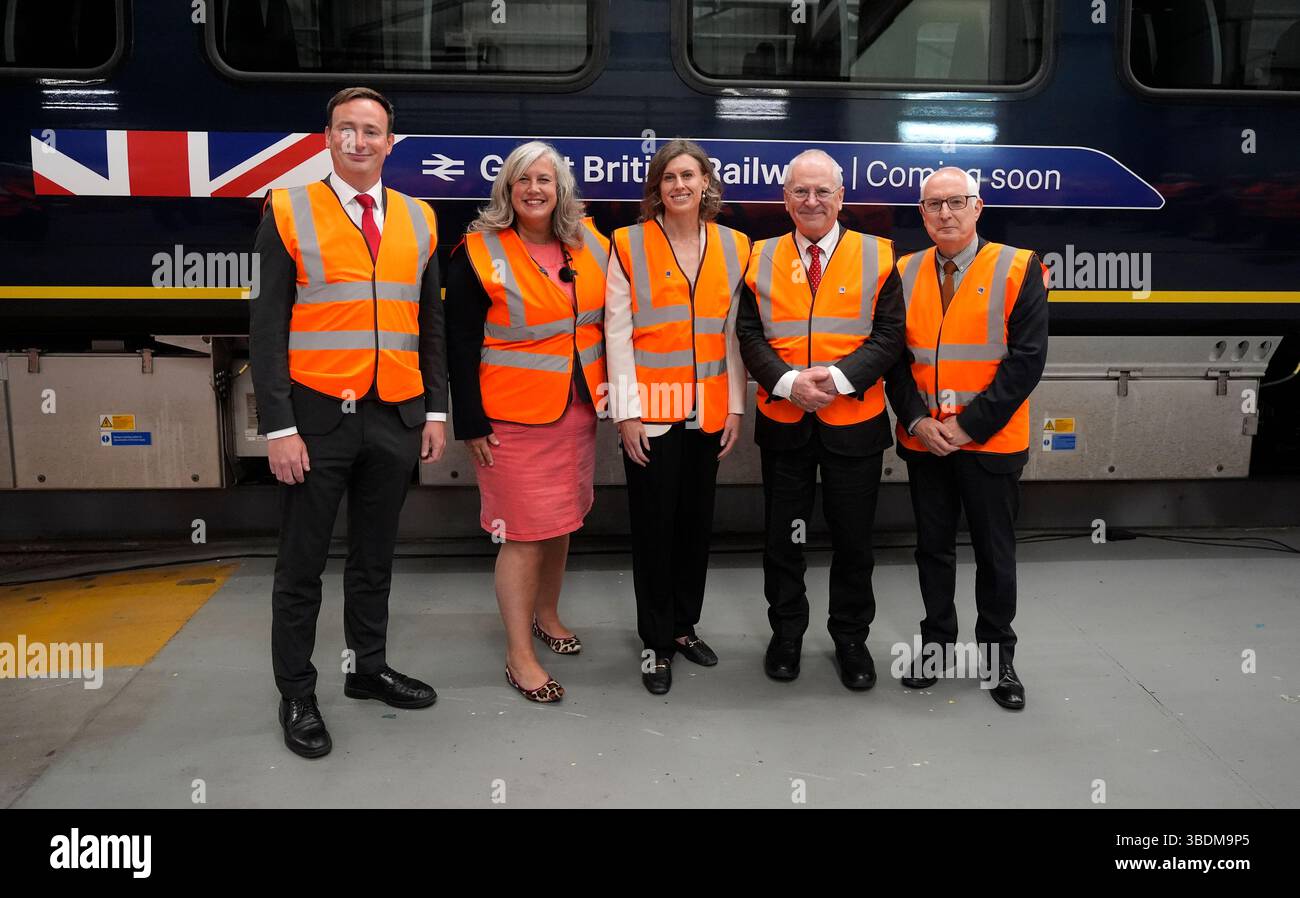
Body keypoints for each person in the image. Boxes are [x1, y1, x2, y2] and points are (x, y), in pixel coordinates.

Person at [251, 87, 446, 759]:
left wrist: (436, 409)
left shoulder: (420, 219)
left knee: (375, 558)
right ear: (327, 137)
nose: (359, 141)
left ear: (391, 142)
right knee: (301, 565)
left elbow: (430, 325)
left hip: (393, 415)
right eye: (346, 129)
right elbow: (267, 326)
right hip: (314, 421)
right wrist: (277, 426)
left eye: (372, 131)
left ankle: (368, 669)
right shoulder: (289, 208)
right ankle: (298, 694)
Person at [445, 141, 609, 703]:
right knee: (522, 534)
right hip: (510, 419)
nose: (535, 190)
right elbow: (459, 342)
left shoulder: (592, 244)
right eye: (523, 181)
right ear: (507, 191)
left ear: (562, 189)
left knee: (561, 521)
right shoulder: (476, 250)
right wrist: (468, 420)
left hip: (577, 410)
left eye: (546, 180)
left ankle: (547, 614)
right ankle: (519, 655)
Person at [736, 149, 904, 690]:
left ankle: (851, 639)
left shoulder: (879, 256)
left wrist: (835, 379)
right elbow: (748, 335)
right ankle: (786, 634)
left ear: (841, 197)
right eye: (801, 192)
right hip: (785, 422)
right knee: (784, 539)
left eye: (822, 191)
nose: (812, 201)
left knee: (854, 541)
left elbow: (889, 335)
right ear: (785, 199)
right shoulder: (758, 256)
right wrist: (788, 384)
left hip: (854, 421)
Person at [884, 166, 1049, 711]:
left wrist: (966, 425)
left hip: (990, 444)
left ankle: (999, 661)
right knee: (932, 550)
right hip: (927, 444)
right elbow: (895, 360)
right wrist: (917, 421)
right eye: (934, 205)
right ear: (922, 214)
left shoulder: (1018, 267)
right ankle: (936, 648)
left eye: (956, 202)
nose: (945, 214)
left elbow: (1025, 363)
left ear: (978, 208)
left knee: (994, 553)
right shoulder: (903, 271)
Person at [605, 139, 750, 695]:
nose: (680, 185)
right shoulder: (629, 243)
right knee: (654, 528)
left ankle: (685, 627)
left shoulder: (737, 246)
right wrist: (626, 413)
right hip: (651, 415)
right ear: (656, 188)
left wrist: (736, 404)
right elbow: (616, 333)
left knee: (695, 525)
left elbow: (735, 334)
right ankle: (655, 642)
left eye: (689, 175)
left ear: (706, 183)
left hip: (709, 412)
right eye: (669, 177)